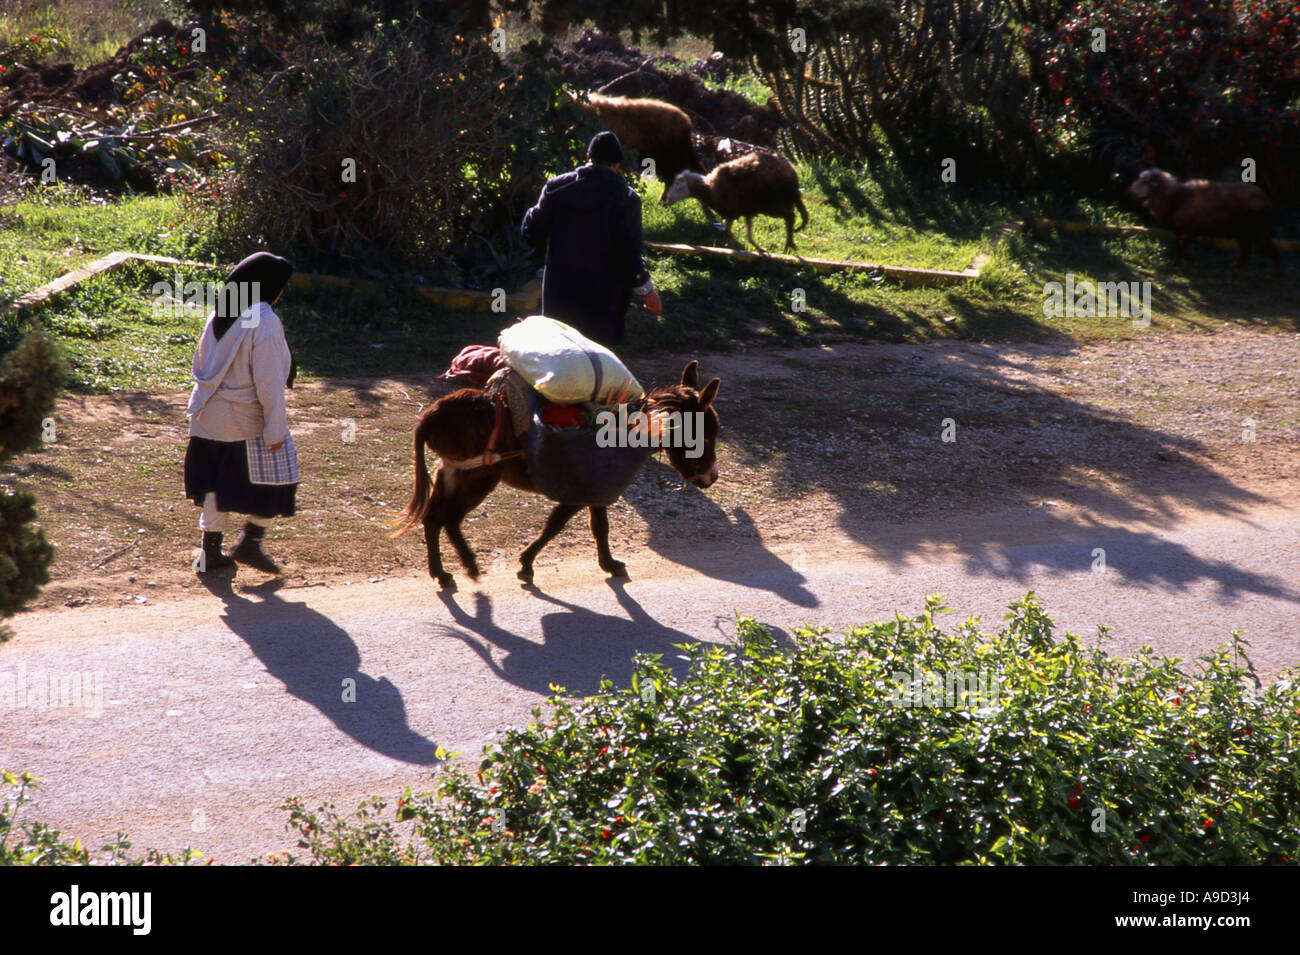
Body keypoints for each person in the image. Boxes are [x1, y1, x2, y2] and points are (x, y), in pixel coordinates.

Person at [183, 252, 298, 576]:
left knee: (216, 484)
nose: (282, 293)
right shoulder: (265, 319)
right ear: (268, 287)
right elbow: (269, 384)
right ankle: (251, 542)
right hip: (243, 421)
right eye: (281, 286)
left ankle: (210, 552)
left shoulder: (225, 311)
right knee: (282, 476)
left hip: (206, 417)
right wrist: (276, 432)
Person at [520, 131, 663, 348]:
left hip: (560, 298)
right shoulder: (627, 198)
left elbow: (531, 230)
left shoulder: (556, 188)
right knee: (599, 368)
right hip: (606, 306)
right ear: (616, 164)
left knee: (559, 357)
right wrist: (647, 291)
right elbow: (630, 253)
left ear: (588, 158)